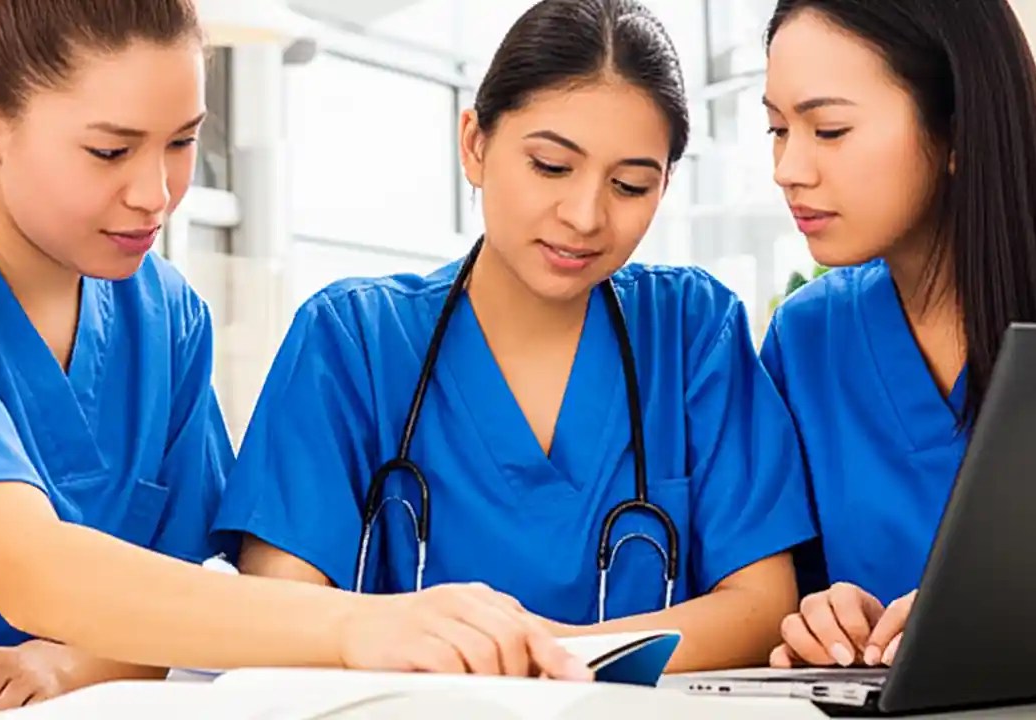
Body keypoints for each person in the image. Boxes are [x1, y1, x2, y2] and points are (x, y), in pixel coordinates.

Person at [0, 1, 591, 717]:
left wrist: (76, 663)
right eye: (111, 152)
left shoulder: (164, 317)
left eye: (182, 142)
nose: (156, 192)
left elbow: (185, 589)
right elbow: (35, 571)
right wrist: (364, 621)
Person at [215, 0, 816, 674]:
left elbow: (764, 605)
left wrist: (545, 655)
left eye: (629, 185)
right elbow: (278, 607)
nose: (586, 216)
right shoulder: (352, 340)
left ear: (666, 183)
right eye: (552, 167)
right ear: (474, 144)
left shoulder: (692, 331)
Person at [760, 0, 1036, 669]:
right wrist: (818, 619)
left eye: (830, 129)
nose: (789, 168)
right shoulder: (805, 338)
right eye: (777, 130)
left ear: (959, 128)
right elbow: (784, 593)